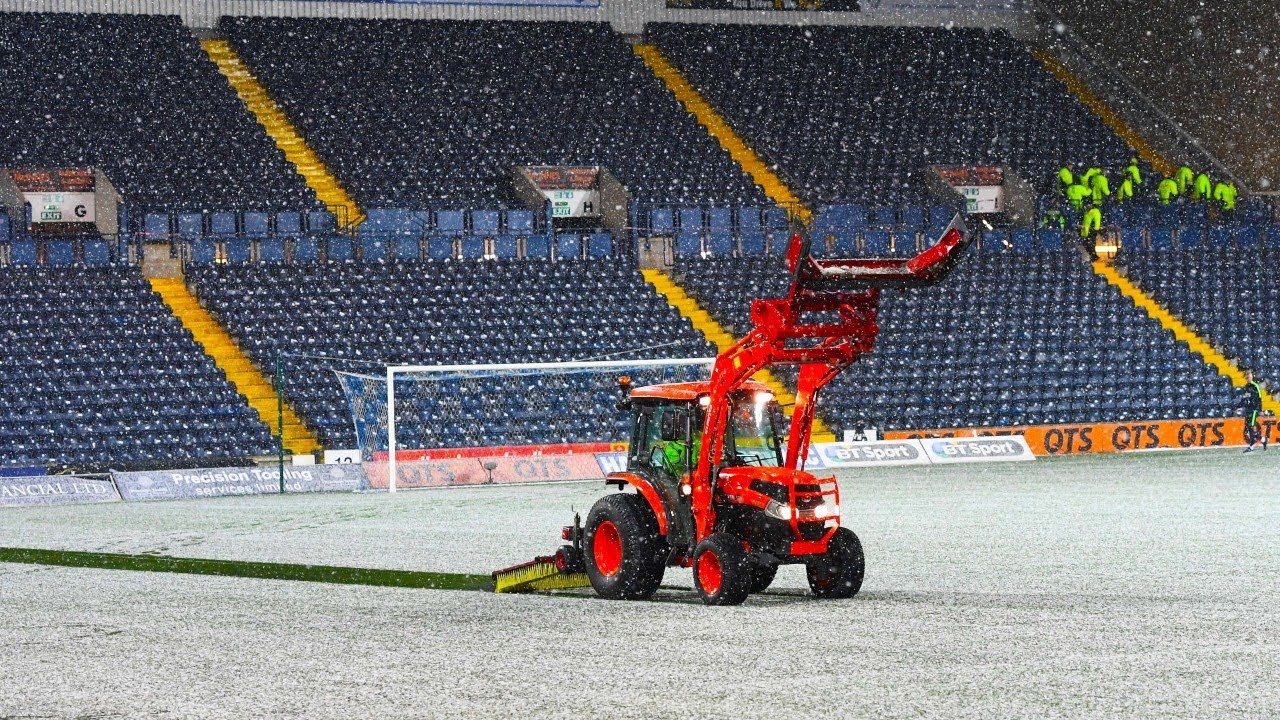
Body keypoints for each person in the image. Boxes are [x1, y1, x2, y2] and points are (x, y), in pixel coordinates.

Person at [1242, 370, 1267, 453]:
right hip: (1248, 410)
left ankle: (1251, 447)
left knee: (1251, 427)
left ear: (1252, 376)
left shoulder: (1255, 386)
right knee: (1249, 428)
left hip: (1254, 411)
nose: (1248, 377)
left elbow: (1259, 399)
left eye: (1249, 376)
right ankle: (1263, 440)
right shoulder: (1246, 387)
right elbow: (1245, 399)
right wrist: (1239, 406)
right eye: (1247, 376)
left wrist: (1259, 410)